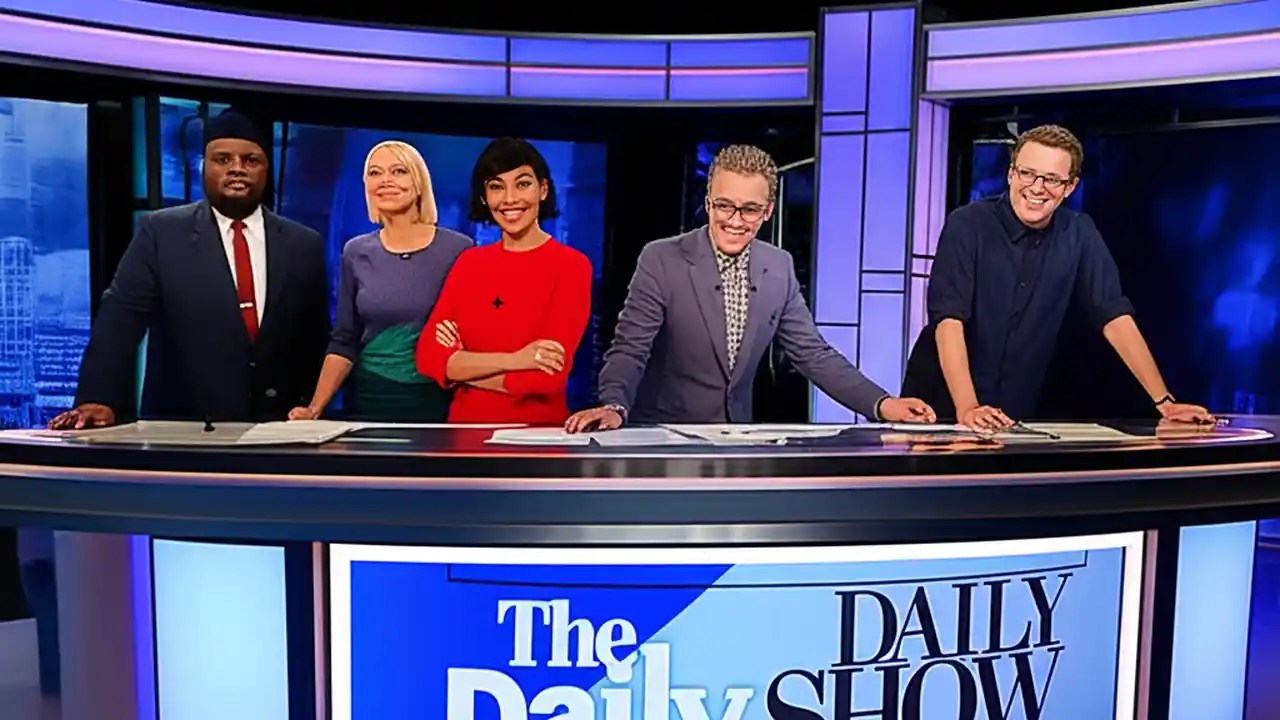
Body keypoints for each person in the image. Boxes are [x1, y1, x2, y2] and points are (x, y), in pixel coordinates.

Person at [565, 144, 935, 433]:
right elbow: (631, 347)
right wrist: (614, 405)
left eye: (750, 210)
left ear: (768, 211)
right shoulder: (662, 258)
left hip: (736, 442)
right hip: (664, 437)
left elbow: (813, 354)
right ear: (708, 202)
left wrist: (882, 404)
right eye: (724, 206)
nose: (735, 220)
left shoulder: (778, 267)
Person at [901, 124, 1213, 431]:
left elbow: (1114, 316)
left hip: (1012, 413)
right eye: (1027, 173)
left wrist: (1164, 402)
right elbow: (949, 320)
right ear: (1011, 174)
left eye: (1051, 179)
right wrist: (968, 408)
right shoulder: (967, 224)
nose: (1037, 188)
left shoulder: (1078, 232)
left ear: (1070, 187)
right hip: (938, 408)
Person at [49, 108, 330, 429]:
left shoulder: (304, 244)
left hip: (279, 430)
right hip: (183, 428)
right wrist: (98, 398)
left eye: (250, 160)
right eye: (223, 159)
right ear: (203, 166)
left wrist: (316, 412)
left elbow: (317, 340)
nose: (237, 169)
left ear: (267, 169)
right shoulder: (162, 232)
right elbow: (120, 319)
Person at [289, 141, 473, 422]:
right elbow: (345, 339)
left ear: (419, 182)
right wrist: (315, 408)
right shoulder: (356, 251)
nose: (385, 180)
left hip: (437, 398)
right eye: (375, 173)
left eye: (399, 171)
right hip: (368, 397)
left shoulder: (458, 249)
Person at [415, 137, 592, 424]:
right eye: (496, 187)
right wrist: (518, 360)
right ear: (485, 197)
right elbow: (428, 358)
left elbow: (546, 379)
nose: (510, 199)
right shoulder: (469, 263)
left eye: (522, 184)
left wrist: (461, 367)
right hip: (464, 432)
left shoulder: (571, 266)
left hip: (538, 435)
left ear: (543, 189)